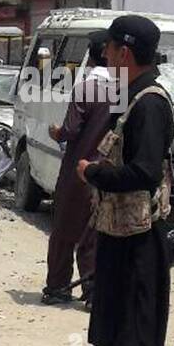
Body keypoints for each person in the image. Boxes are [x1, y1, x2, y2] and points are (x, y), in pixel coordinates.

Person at [65, 15, 174, 346]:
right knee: (131, 334)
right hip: (128, 238)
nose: (104, 58)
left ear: (124, 53)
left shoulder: (148, 105)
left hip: (133, 243)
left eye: (109, 50)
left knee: (114, 339)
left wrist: (93, 173)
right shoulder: (139, 97)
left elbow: (145, 172)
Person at [42, 32, 114, 307]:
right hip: (105, 171)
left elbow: (71, 130)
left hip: (78, 170)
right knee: (94, 233)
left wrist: (55, 132)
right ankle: (93, 292)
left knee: (63, 231)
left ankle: (59, 286)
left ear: (92, 57)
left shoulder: (86, 87)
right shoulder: (121, 90)